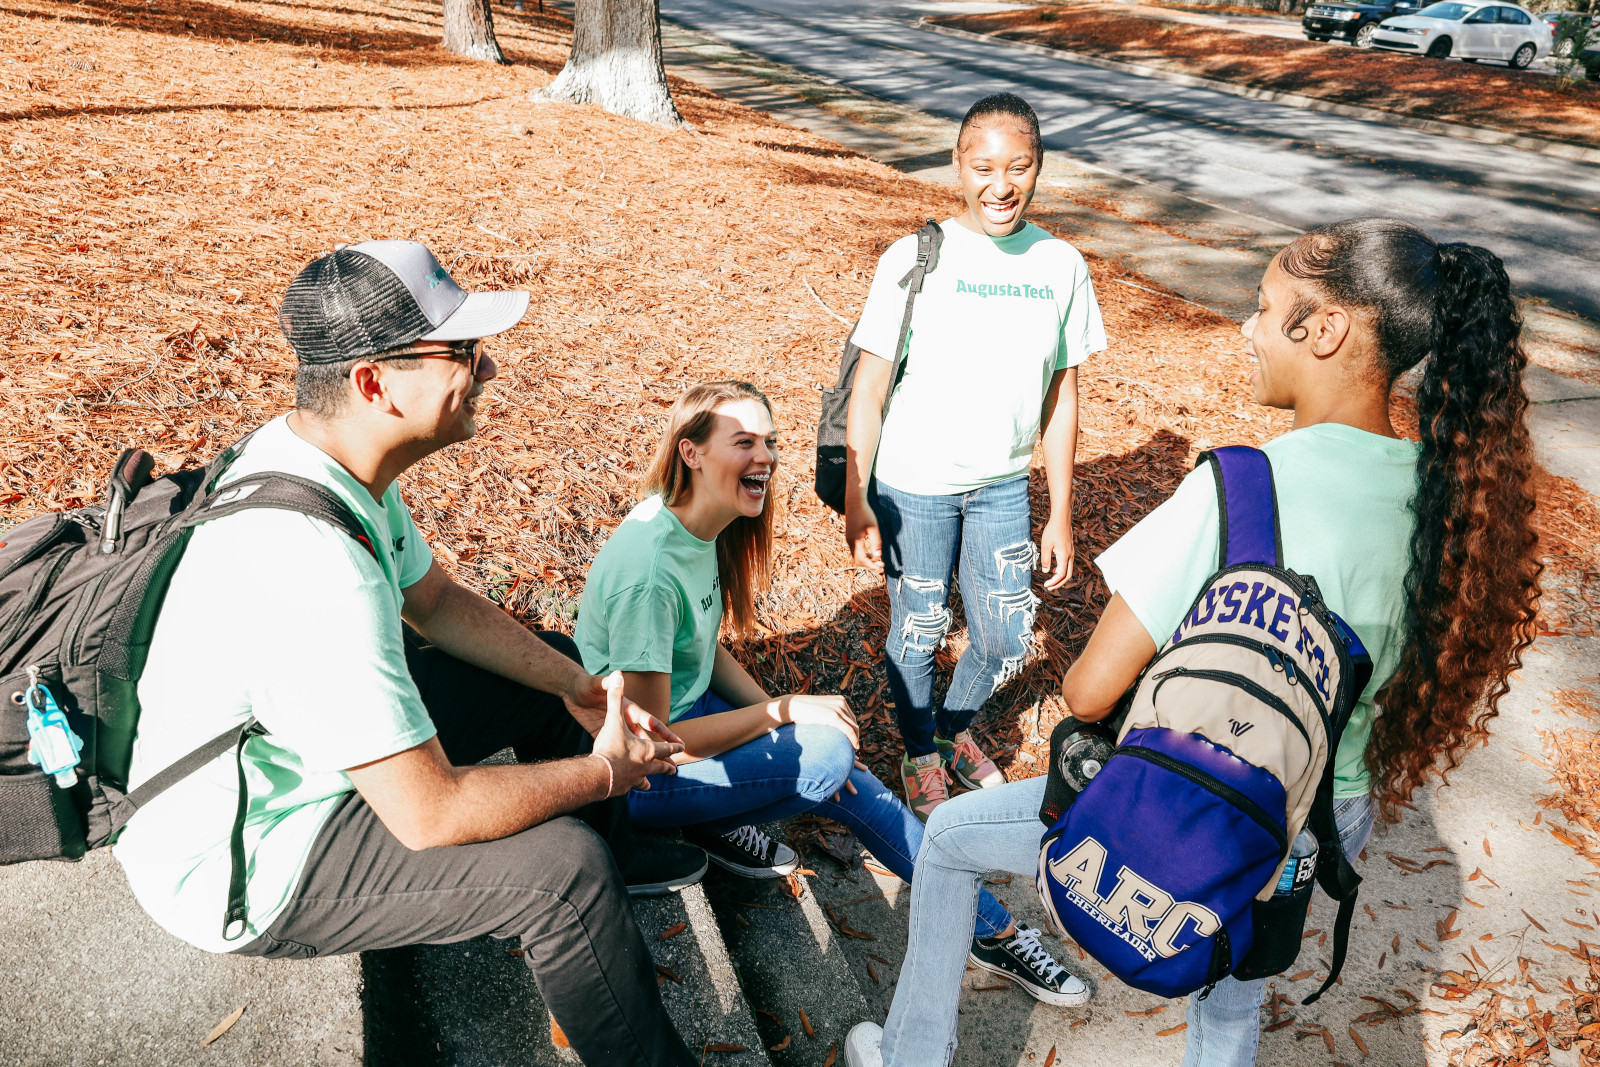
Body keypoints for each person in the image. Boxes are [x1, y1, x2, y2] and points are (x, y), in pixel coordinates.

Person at [842, 216, 1543, 1067]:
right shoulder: (1450, 505)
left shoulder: (1244, 489)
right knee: (1228, 993)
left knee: (949, 837)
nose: (1247, 327)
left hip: (1186, 793)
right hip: (1324, 813)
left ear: (1326, 329)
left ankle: (911, 1054)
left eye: (1265, 306)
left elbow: (1092, 692)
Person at [112, 241, 711, 1067]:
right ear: (372, 382)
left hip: (291, 762)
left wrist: (583, 689)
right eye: (462, 352)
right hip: (242, 860)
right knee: (562, 872)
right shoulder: (318, 572)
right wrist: (609, 769)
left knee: (551, 668)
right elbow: (431, 813)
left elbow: (431, 600)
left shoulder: (324, 460)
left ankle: (623, 859)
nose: (489, 368)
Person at [575, 380, 1088, 1006]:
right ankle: (991, 929)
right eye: (743, 442)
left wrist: (782, 727)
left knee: (838, 769)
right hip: (639, 781)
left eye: (770, 442)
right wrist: (782, 715)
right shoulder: (650, 569)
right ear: (692, 452)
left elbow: (700, 652)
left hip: (687, 726)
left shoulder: (692, 523)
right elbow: (648, 747)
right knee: (826, 759)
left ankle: (992, 930)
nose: (764, 457)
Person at [844, 92, 1106, 821]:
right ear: (957, 166)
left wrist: (1061, 513)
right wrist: (860, 495)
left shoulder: (1060, 264)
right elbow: (868, 387)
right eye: (983, 166)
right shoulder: (914, 256)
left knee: (1004, 633)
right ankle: (921, 749)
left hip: (999, 489)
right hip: (914, 486)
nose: (1001, 184)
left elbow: (1062, 397)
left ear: (1039, 170)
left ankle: (954, 731)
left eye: (1018, 166)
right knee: (919, 629)